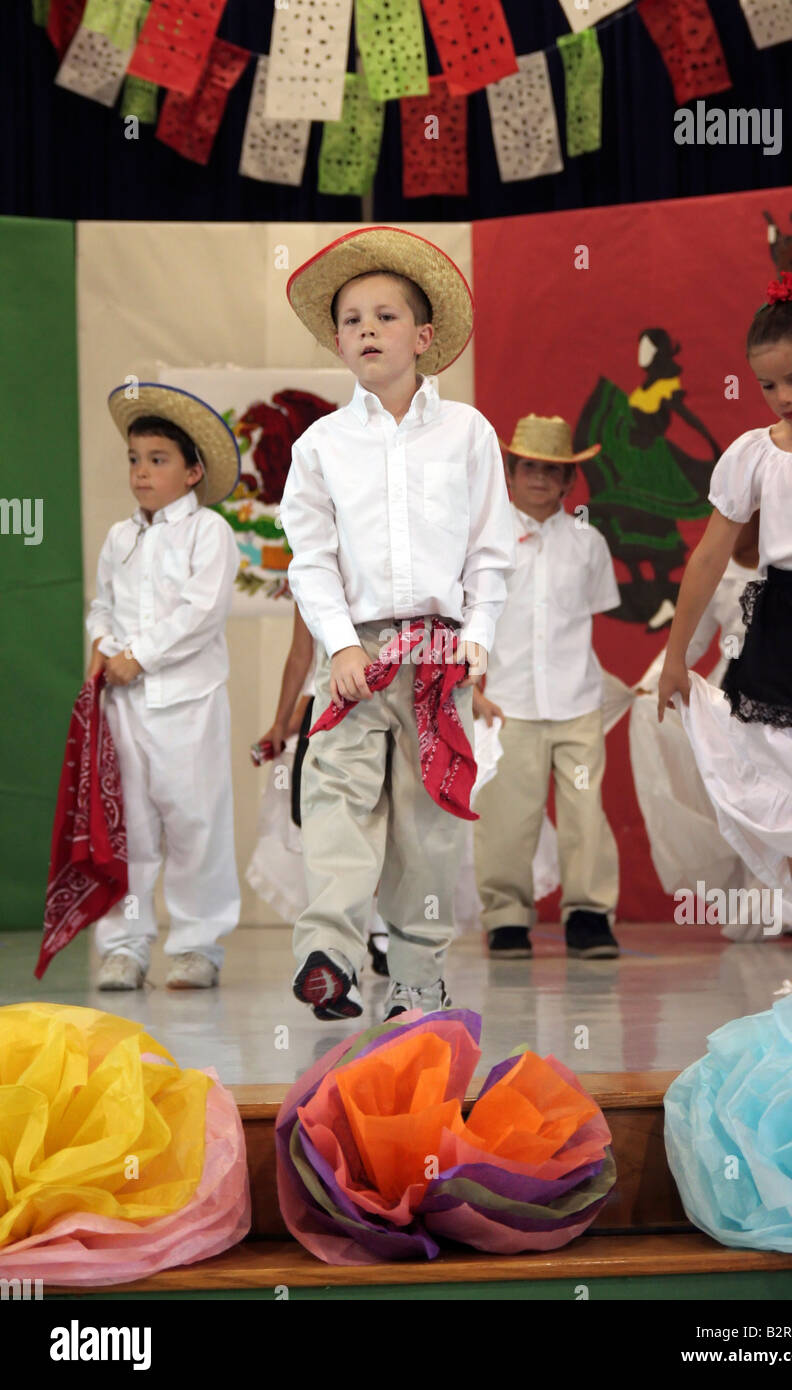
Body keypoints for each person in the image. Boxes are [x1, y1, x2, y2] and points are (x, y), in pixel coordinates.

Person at [280, 227, 515, 1020]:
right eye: (351, 319)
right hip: (356, 657)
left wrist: (479, 630)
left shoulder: (468, 433)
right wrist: (341, 643)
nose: (368, 330)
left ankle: (417, 977)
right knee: (336, 799)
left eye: (386, 316)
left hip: (439, 655)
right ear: (338, 341)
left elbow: (491, 546)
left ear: (424, 337)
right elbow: (308, 558)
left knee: (428, 823)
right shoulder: (321, 445)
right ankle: (330, 956)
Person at [657, 271, 792, 995]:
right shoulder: (755, 453)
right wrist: (676, 656)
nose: (785, 399)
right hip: (787, 627)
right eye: (769, 386)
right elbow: (710, 556)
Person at [85, 384, 241, 990]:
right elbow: (101, 605)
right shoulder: (120, 537)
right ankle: (125, 945)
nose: (142, 472)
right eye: (134, 458)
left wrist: (139, 657)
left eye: (157, 460)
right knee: (132, 827)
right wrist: (102, 649)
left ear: (192, 471)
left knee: (195, 823)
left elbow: (200, 614)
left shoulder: (209, 533)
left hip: (188, 704)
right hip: (124, 705)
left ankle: (198, 946)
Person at [472, 415, 621, 960]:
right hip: (507, 703)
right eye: (528, 466)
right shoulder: (484, 542)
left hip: (578, 700)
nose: (538, 478)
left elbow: (592, 615)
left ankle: (589, 914)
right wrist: (472, 687)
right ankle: (506, 916)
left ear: (567, 483)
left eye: (551, 470)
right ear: (510, 474)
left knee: (585, 812)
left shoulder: (588, 543)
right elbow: (470, 621)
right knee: (507, 816)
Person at [251, 603, 389, 974]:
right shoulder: (312, 573)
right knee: (332, 824)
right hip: (329, 707)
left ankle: (382, 930)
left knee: (387, 817)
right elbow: (301, 657)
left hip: (389, 704)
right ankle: (335, 945)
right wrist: (281, 722)